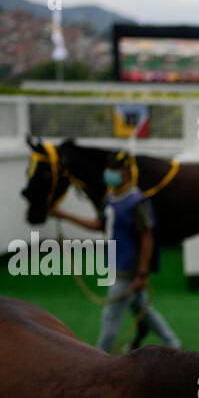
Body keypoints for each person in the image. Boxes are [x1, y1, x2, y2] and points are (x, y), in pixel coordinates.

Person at [52, 151, 181, 352]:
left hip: (127, 271)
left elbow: (147, 237)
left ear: (127, 172)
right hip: (117, 266)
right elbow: (99, 224)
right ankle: (173, 344)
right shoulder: (111, 198)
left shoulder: (136, 201)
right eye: (109, 169)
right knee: (144, 310)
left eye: (115, 169)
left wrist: (142, 273)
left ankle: (99, 357)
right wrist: (64, 216)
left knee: (111, 316)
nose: (110, 173)